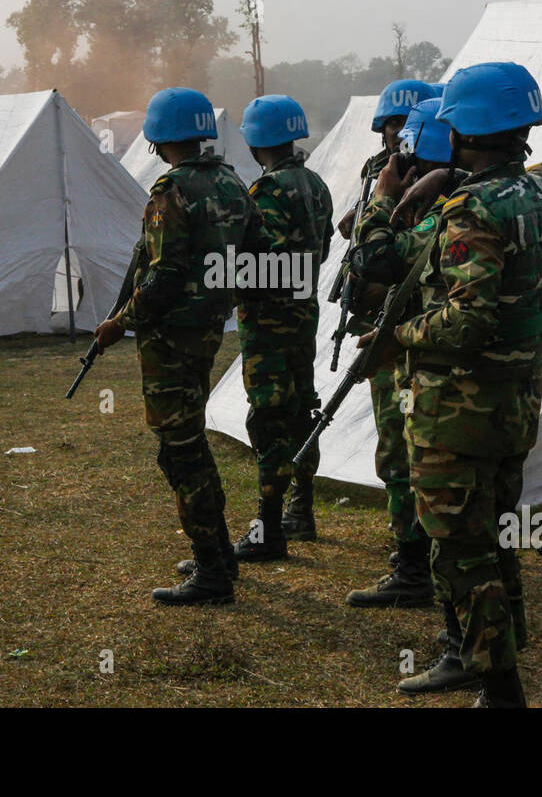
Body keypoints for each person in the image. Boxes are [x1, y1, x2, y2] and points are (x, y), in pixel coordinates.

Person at [352, 64, 542, 705]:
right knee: (493, 537)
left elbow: (463, 320)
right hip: (514, 398)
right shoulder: (541, 194)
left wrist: (399, 335)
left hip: (457, 408)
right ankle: (501, 659)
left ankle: (499, 690)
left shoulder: (472, 207)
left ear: (462, 127)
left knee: (460, 551)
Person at [95, 87, 268, 606]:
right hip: (208, 329)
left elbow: (164, 273)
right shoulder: (234, 184)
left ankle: (213, 570)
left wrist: (120, 322)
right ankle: (218, 552)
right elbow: (255, 253)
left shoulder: (171, 191)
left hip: (169, 338)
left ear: (156, 136)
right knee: (188, 443)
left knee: (182, 451)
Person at [337, 78, 443, 608]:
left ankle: (417, 566)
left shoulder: (439, 185)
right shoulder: (382, 173)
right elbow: (352, 234)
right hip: (388, 325)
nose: (400, 138)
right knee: (397, 448)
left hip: (411, 334)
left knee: (409, 452)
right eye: (393, 128)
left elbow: (397, 256)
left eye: (409, 128)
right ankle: (415, 556)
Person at [224, 94, 334, 563]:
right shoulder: (316, 184)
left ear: (255, 140)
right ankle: (300, 510)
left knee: (268, 417)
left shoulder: (266, 192)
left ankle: (268, 528)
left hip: (268, 323)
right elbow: (321, 252)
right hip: (303, 315)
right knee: (301, 407)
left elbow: (260, 263)